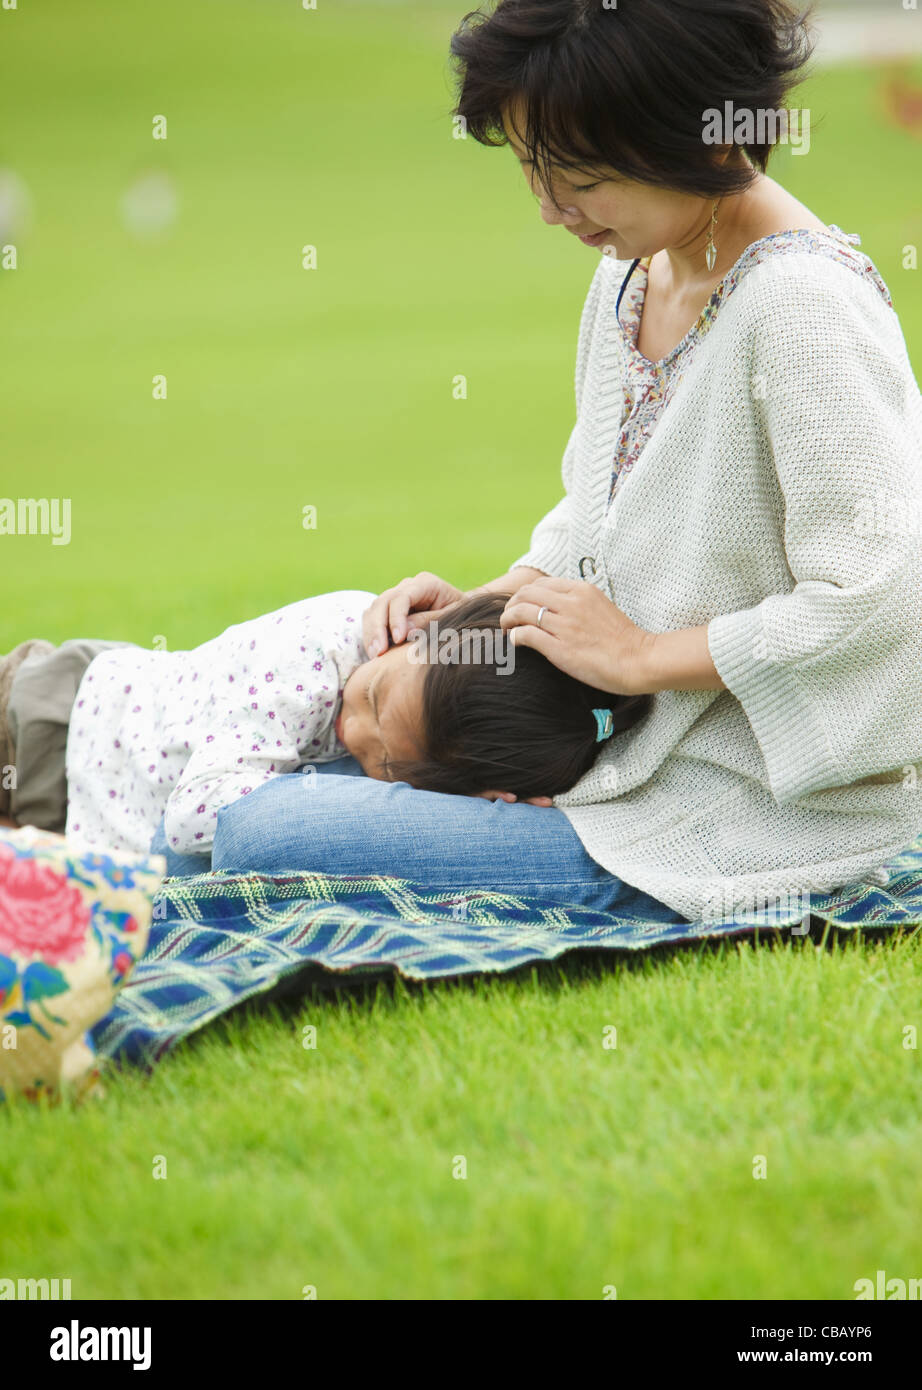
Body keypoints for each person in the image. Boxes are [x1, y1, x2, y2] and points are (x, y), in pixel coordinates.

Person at [214, 0, 922, 924]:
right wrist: (480, 612)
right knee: (293, 717)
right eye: (532, 174)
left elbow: (884, 599)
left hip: (729, 818)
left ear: (697, 139)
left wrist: (642, 659)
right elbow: (597, 520)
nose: (551, 212)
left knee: (259, 832)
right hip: (593, 766)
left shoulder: (804, 309)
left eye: (580, 181)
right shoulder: (632, 274)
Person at [0, 591, 648, 859]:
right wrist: (374, 789)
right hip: (44, 730)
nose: (355, 734)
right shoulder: (317, 654)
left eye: (388, 764)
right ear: (416, 631)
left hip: (66, 805)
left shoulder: (454, 728)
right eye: (377, 692)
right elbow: (194, 816)